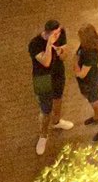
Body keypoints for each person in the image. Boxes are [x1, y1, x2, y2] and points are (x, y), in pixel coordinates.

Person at [29, 19, 75, 156]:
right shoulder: (35, 44)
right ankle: (43, 135)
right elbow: (46, 62)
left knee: (58, 99)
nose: (58, 35)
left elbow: (65, 56)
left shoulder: (61, 34)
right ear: (47, 33)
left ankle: (56, 121)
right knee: (45, 109)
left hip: (57, 74)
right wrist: (49, 44)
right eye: (55, 33)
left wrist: (61, 52)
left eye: (59, 32)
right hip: (41, 78)